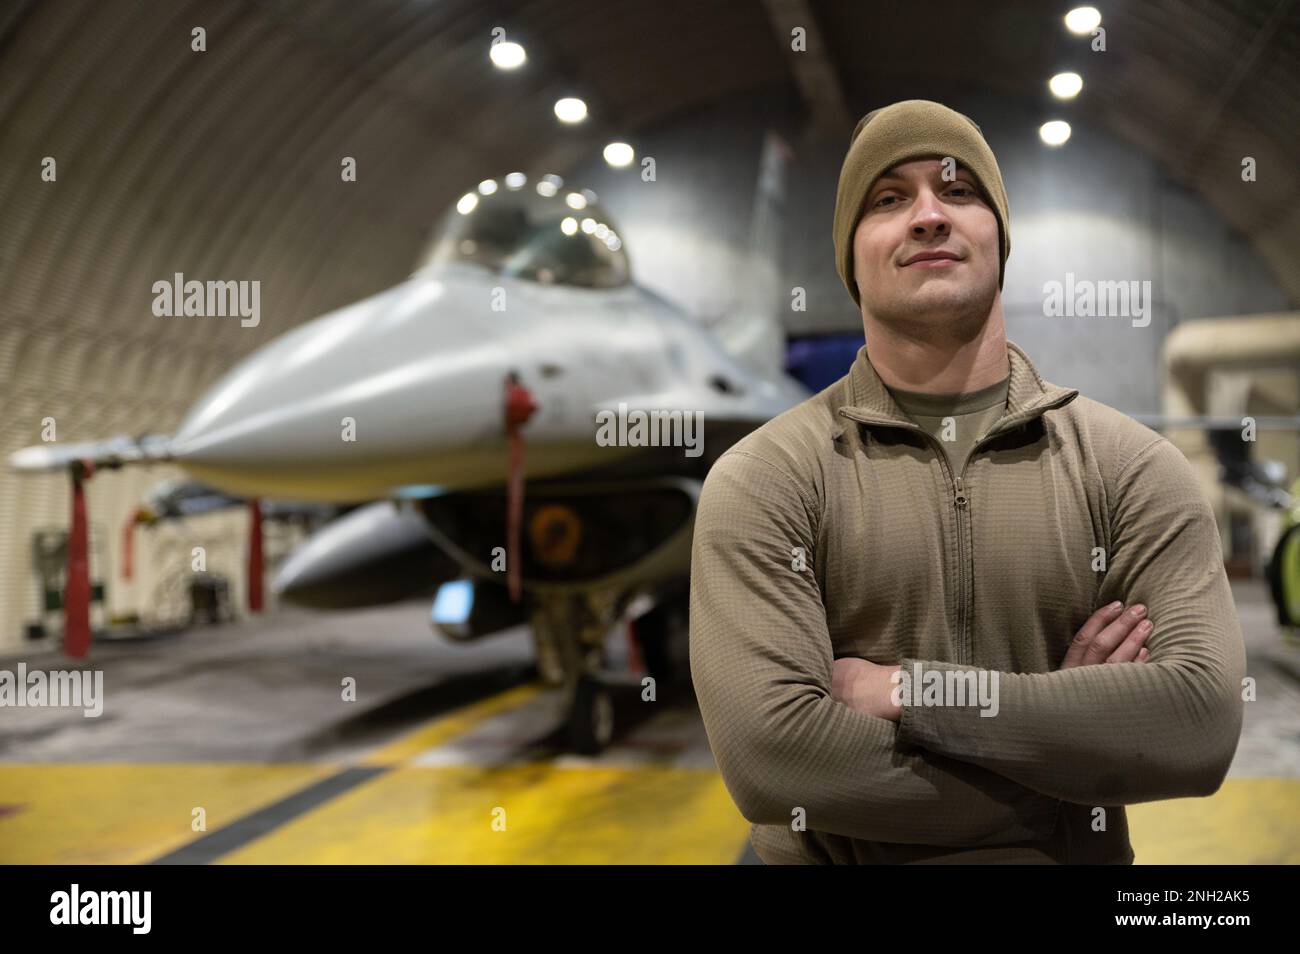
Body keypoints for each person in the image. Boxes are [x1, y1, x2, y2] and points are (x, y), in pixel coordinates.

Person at [688, 99, 1246, 864]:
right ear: (850, 258)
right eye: (888, 199)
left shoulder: (1130, 468)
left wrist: (908, 693)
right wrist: (1064, 752)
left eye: (958, 191)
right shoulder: (766, 478)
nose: (927, 216)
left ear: (999, 237)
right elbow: (774, 764)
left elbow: (1196, 728)